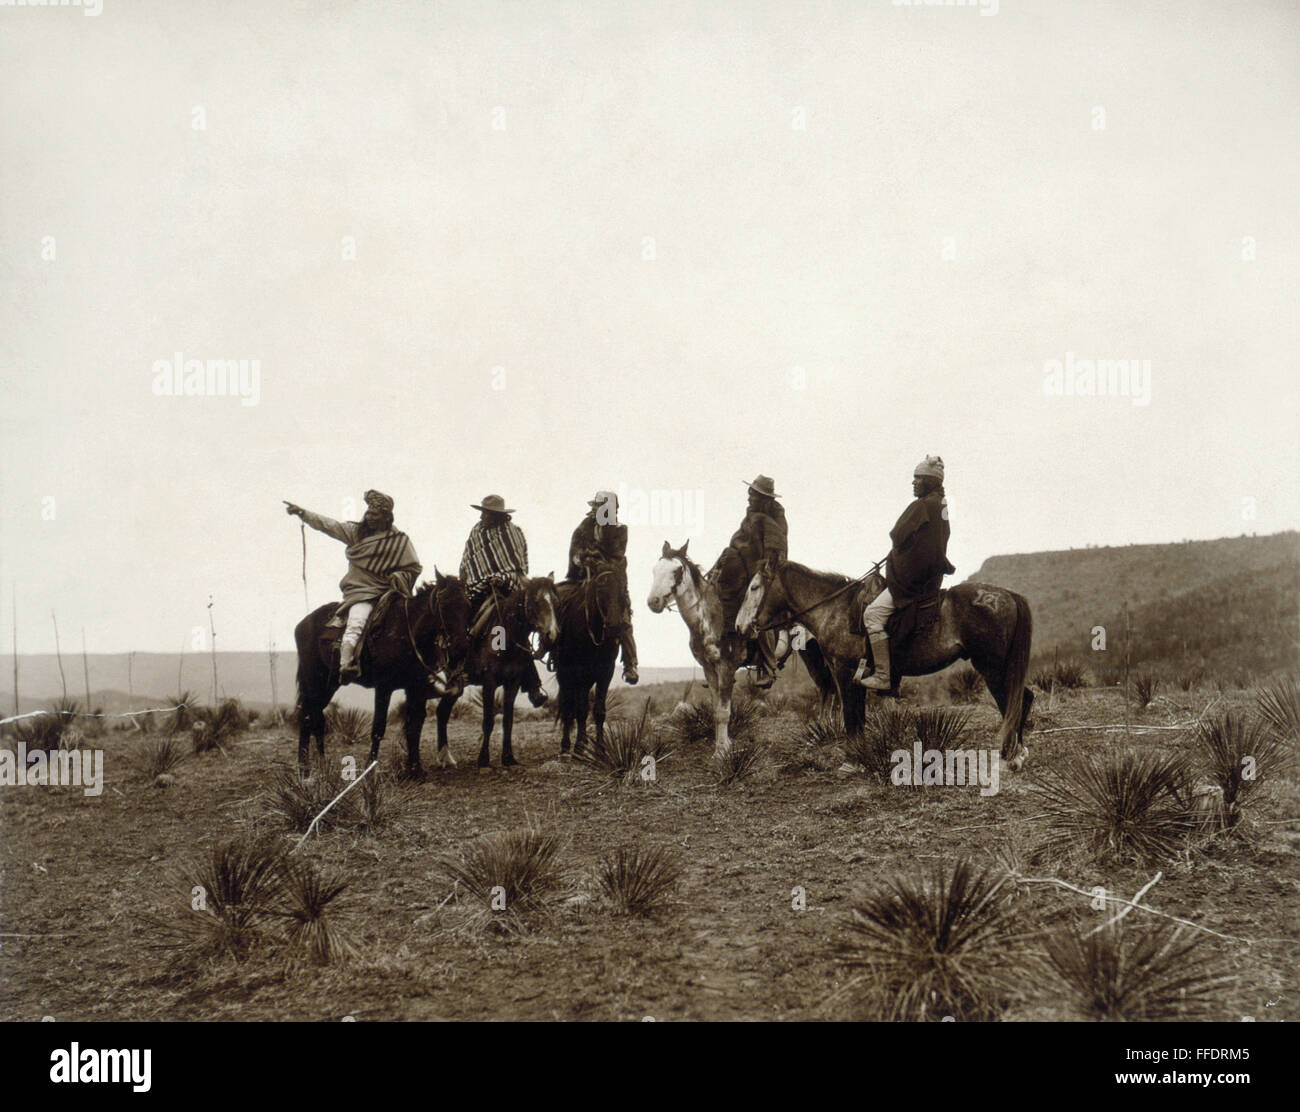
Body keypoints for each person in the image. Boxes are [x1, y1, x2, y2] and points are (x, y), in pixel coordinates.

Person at [284, 489, 422, 683]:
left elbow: (413, 567)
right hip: (362, 594)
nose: (370, 517)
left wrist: (398, 577)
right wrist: (303, 513)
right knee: (357, 621)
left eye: (375, 514)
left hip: (390, 592)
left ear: (386, 517)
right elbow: (328, 525)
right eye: (368, 513)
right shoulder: (356, 533)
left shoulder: (400, 541)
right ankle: (346, 664)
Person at [855, 455, 956, 690]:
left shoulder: (921, 505)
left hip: (913, 583)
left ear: (930, 481)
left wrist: (898, 556)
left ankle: (882, 675)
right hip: (931, 579)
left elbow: (897, 535)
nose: (913, 483)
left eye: (918, 478)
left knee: (872, 615)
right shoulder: (942, 505)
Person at [459, 494, 547, 707]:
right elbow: (468, 561)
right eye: (482, 512)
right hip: (479, 588)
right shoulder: (476, 532)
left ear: (498, 515)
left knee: (520, 632)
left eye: (487, 513)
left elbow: (519, 566)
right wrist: (476, 580)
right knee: (465, 622)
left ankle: (533, 685)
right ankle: (459, 670)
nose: (483, 516)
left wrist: (503, 578)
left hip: (509, 589)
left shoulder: (513, 533)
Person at [710, 474, 788, 688]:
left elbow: (776, 552)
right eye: (749, 494)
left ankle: (768, 666)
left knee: (758, 612)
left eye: (753, 495)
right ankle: (722, 661)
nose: (749, 498)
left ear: (764, 498)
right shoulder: (750, 518)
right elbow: (737, 545)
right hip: (741, 573)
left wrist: (761, 572)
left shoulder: (773, 521)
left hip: (762, 575)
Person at [566, 490, 638, 684]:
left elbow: (617, 555)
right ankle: (551, 648)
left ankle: (630, 662)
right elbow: (575, 552)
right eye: (598, 507)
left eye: (605, 508)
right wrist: (581, 559)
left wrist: (596, 557)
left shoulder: (620, 529)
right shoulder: (583, 528)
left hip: (611, 580)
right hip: (582, 577)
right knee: (558, 599)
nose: (600, 511)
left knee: (623, 615)